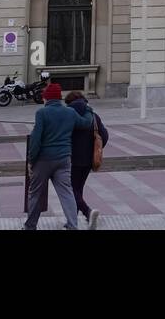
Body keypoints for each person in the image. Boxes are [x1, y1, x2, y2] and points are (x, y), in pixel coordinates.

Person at [24, 82, 96, 230]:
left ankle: (30, 226)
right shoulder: (69, 112)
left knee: (35, 193)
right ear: (59, 98)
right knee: (66, 193)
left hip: (43, 160)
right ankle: (72, 224)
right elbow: (86, 123)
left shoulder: (41, 113)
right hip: (64, 159)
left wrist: (31, 161)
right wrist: (88, 109)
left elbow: (36, 139)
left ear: (46, 99)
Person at [65, 91, 108, 231]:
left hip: (73, 159)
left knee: (71, 190)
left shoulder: (69, 116)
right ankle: (72, 220)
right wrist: (94, 150)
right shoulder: (94, 116)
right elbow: (104, 135)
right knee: (78, 189)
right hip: (89, 160)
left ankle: (88, 212)